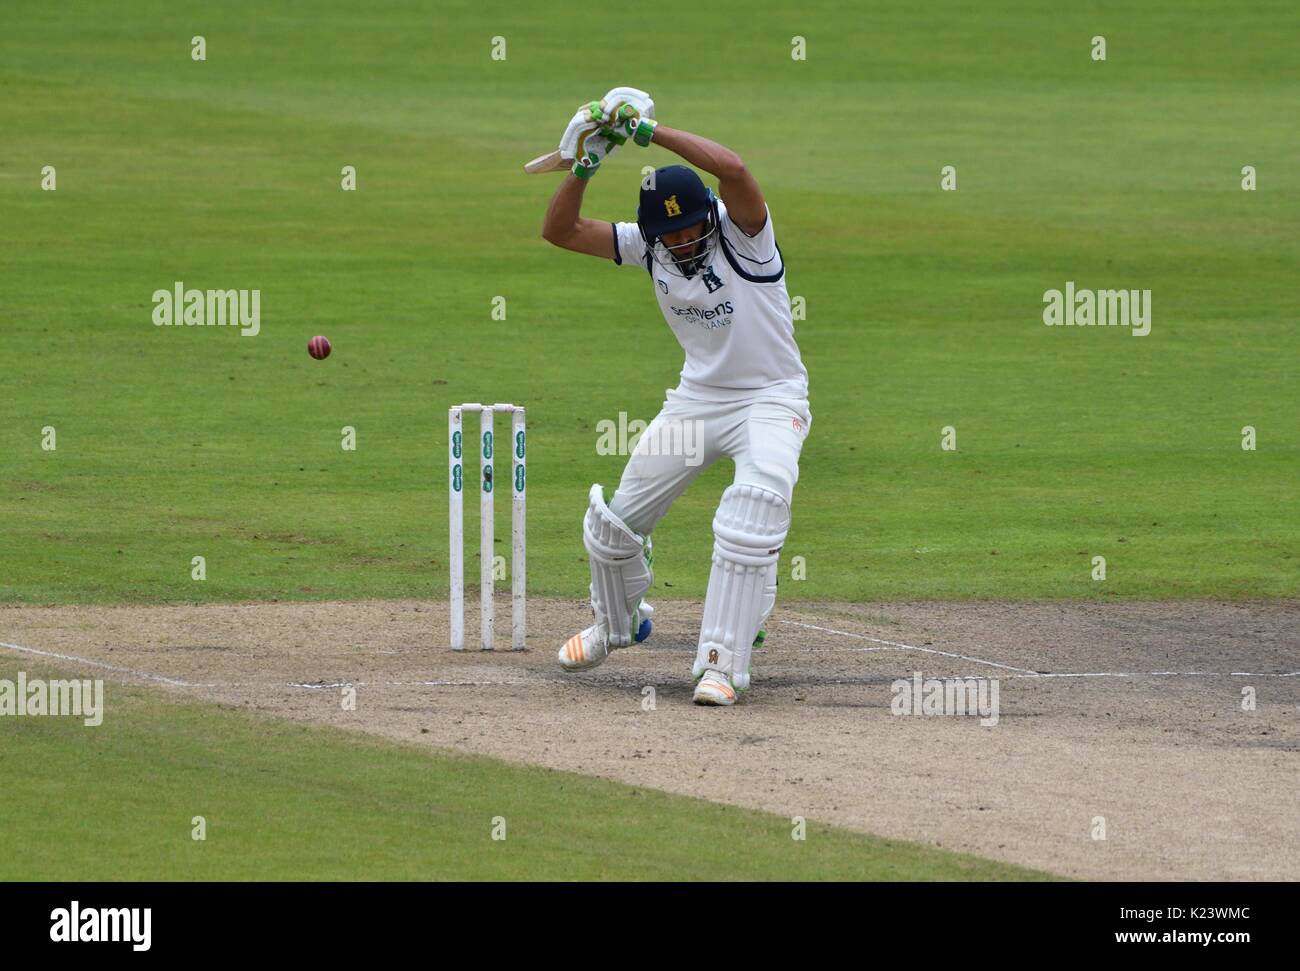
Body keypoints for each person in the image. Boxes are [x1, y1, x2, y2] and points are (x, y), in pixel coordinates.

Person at [540, 101, 810, 706]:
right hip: (697, 402)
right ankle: (618, 625)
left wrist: (647, 133)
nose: (683, 241)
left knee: (752, 511)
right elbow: (559, 232)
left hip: (771, 399)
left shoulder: (745, 235)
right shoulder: (650, 246)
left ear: (708, 220)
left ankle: (721, 662)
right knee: (613, 528)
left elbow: (735, 170)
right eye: (672, 234)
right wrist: (584, 166)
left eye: (691, 228)